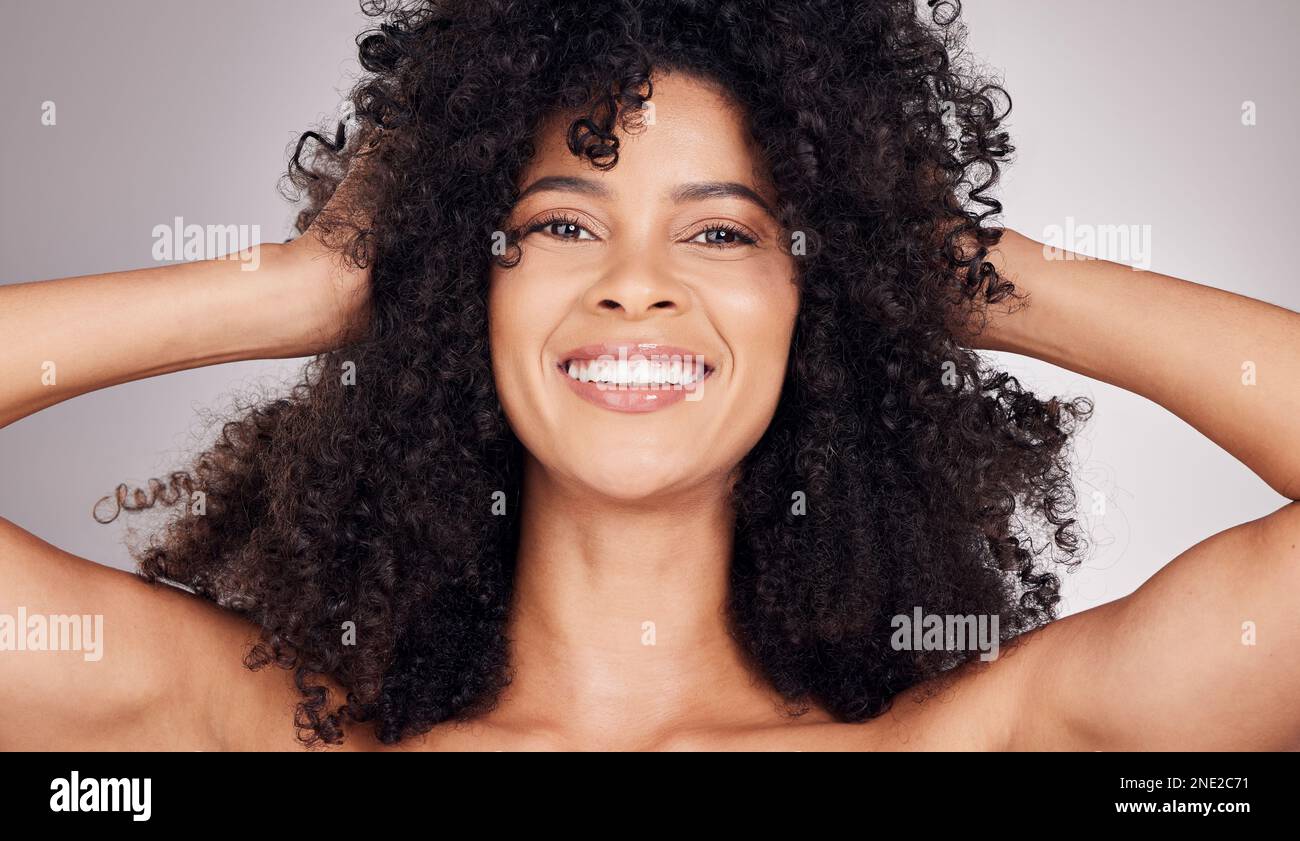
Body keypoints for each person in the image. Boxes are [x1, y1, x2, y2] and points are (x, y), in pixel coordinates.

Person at [1, 0, 1297, 751]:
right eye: (563, 223)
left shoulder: (973, 743)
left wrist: (953, 269)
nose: (636, 281)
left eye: (723, 229)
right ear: (471, 288)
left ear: (820, 294)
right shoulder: (255, 736)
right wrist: (304, 288)